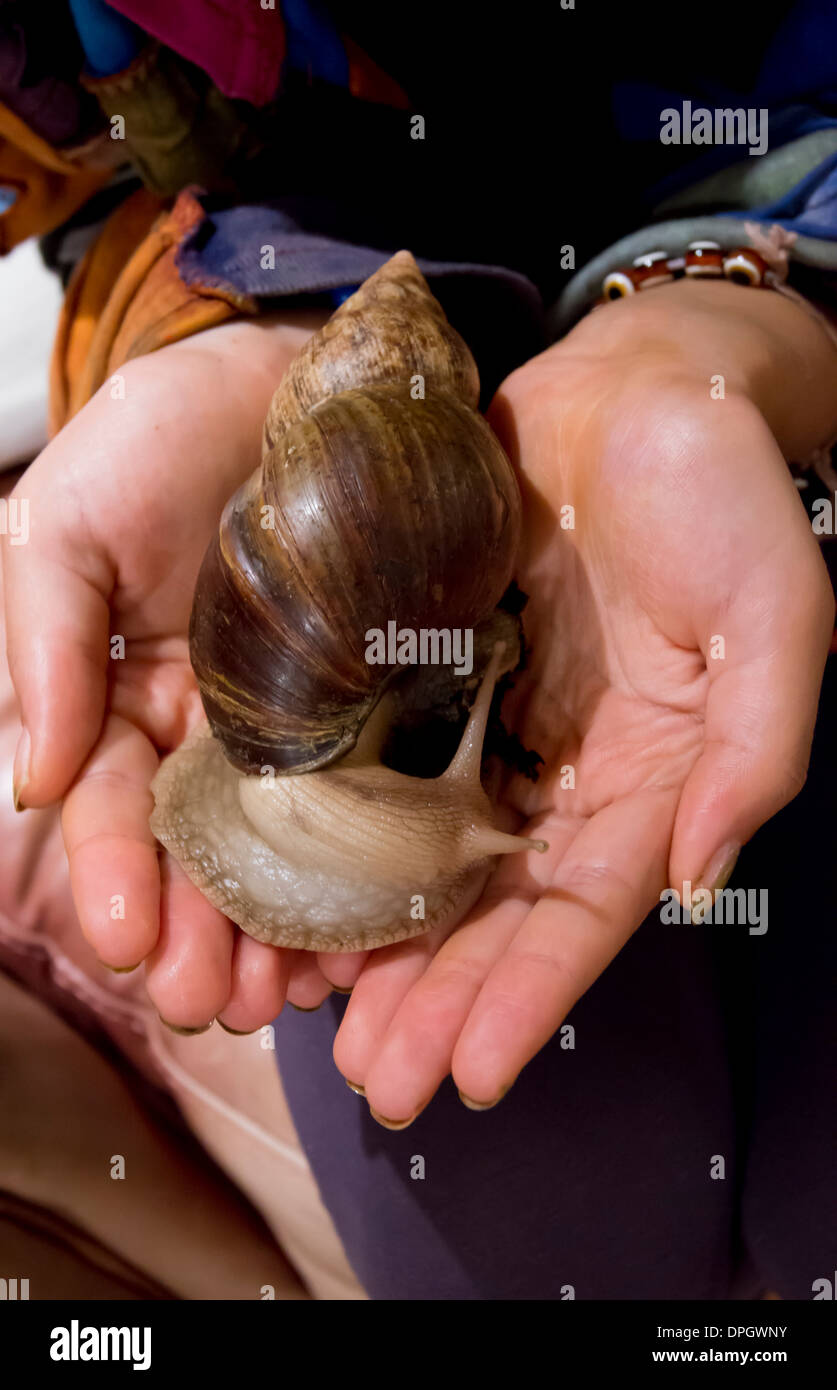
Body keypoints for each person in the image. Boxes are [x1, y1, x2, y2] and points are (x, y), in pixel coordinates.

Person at [2, 0, 836, 1298]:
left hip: (773, 307)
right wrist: (228, 326)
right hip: (309, 264)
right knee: (553, 1243)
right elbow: (89, 186)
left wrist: (737, 317)